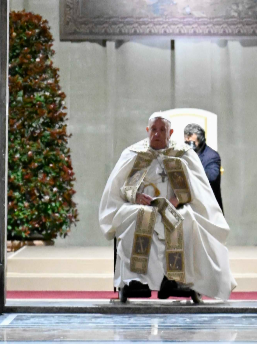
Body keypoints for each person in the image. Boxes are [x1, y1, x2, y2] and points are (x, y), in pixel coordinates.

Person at [99, 112, 236, 303]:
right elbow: (120, 187)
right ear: (147, 130)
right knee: (134, 218)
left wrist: (178, 199)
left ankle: (175, 280)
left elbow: (197, 188)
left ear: (170, 132)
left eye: (162, 130)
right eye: (153, 129)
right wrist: (135, 196)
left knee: (185, 220)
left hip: (175, 206)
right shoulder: (134, 153)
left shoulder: (183, 154)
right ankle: (135, 281)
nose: (157, 133)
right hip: (141, 206)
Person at [183, 123, 223, 212]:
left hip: (209, 208)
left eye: (192, 143)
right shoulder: (184, 154)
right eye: (187, 142)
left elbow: (211, 178)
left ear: (200, 140)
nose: (189, 146)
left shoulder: (211, 156)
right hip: (191, 208)